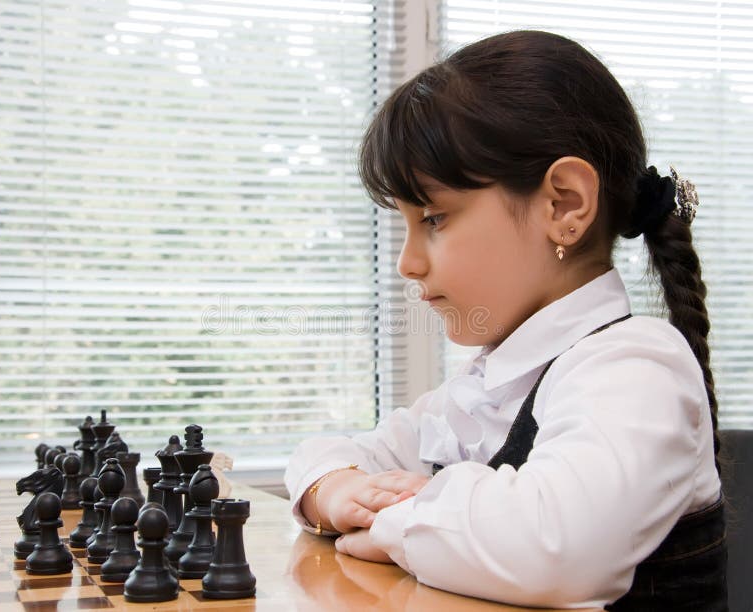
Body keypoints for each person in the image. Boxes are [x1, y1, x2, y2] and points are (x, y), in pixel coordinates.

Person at [284, 30, 726, 610]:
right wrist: (337, 490)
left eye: (435, 219)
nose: (407, 263)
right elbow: (331, 452)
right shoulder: (488, 384)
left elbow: (556, 549)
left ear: (564, 205)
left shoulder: (638, 366)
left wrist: (402, 513)